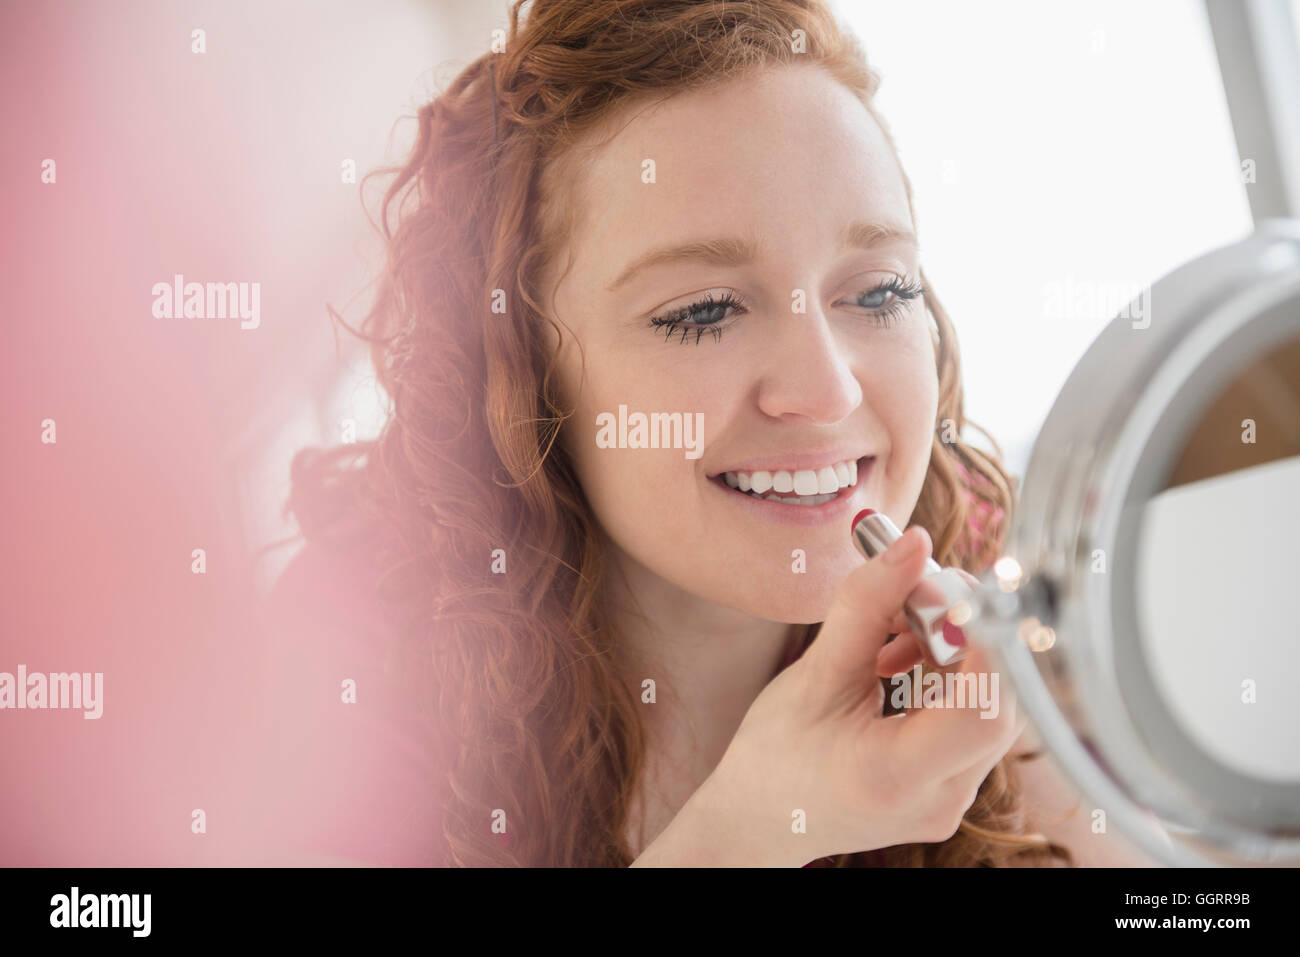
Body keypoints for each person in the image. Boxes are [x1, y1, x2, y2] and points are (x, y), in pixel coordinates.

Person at [259, 0, 1157, 867]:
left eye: (878, 291)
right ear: (523, 379)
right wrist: (749, 833)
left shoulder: (973, 561)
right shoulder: (354, 659)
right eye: (703, 311)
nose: (824, 389)